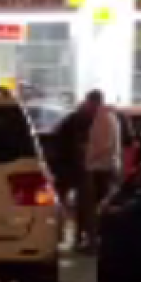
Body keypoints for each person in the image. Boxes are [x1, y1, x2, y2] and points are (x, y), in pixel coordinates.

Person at [77, 89, 121, 252]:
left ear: (94, 102)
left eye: (88, 102)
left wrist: (88, 155)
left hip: (101, 168)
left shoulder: (104, 119)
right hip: (103, 167)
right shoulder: (108, 117)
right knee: (99, 206)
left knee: (97, 207)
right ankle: (95, 241)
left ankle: (95, 243)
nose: (86, 106)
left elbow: (103, 145)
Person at [51, 97, 96, 241]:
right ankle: (79, 235)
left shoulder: (70, 120)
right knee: (84, 204)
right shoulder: (80, 121)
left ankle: (62, 234)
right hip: (74, 167)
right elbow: (78, 146)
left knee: (64, 202)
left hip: (65, 167)